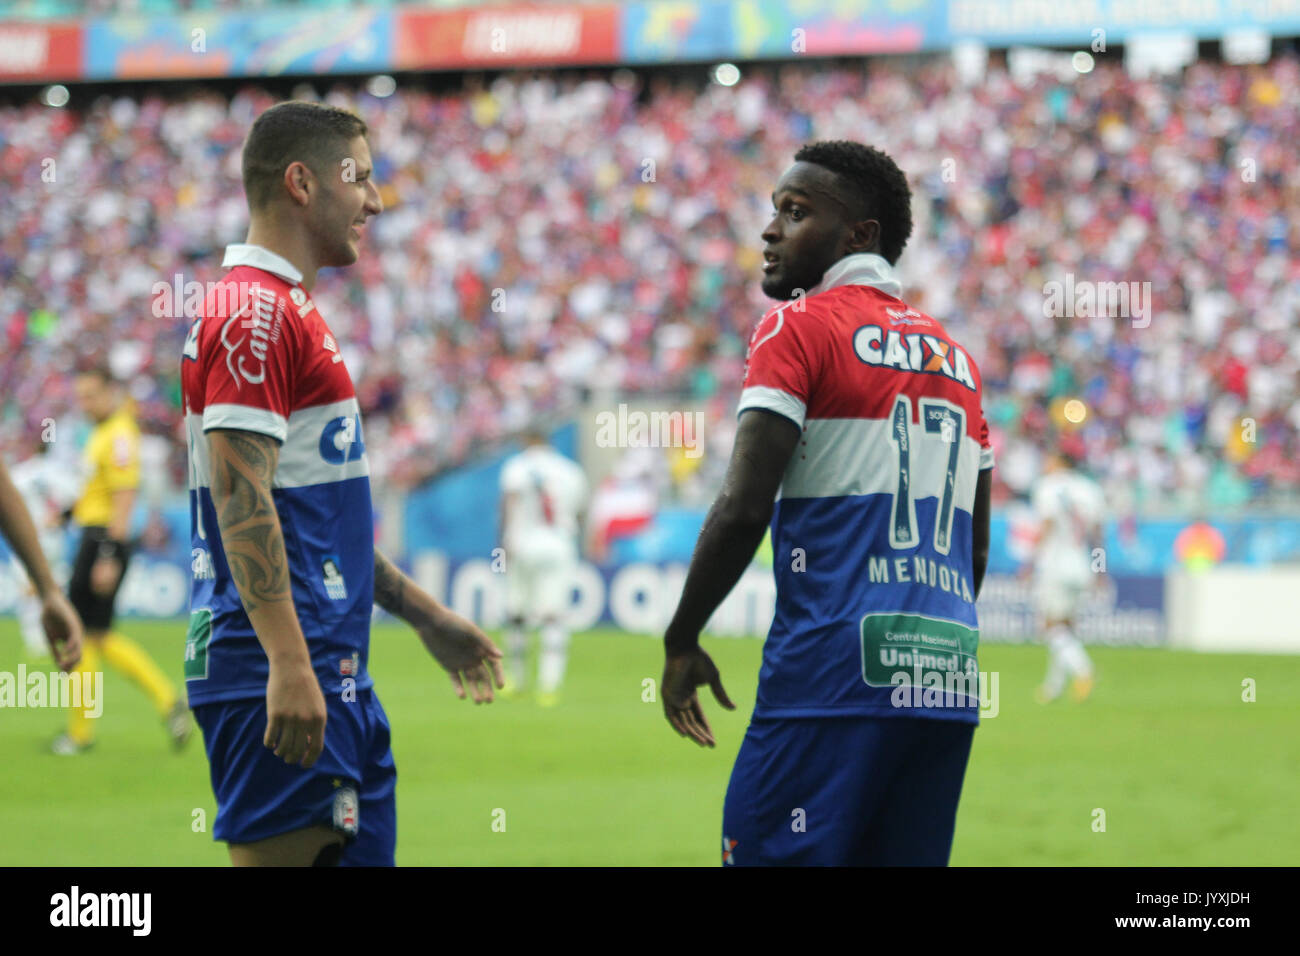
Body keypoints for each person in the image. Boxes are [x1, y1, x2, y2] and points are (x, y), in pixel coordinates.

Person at [182, 100, 504, 866]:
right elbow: (240, 494)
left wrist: (423, 614)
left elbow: (317, 524)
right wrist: (290, 665)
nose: (376, 199)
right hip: (281, 668)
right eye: (360, 177)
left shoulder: (284, 309)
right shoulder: (253, 313)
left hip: (331, 666)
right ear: (300, 182)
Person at [660, 141, 994, 866]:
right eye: (775, 210)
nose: (770, 230)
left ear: (859, 236)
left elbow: (744, 507)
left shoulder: (799, 326)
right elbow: (974, 553)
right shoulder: (959, 362)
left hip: (829, 680)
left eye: (795, 211)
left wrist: (682, 636)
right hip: (945, 680)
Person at [53, 366, 191, 755]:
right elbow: (96, 492)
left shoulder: (119, 435)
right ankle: (167, 700)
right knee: (96, 636)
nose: (85, 404)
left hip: (103, 541)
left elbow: (124, 497)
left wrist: (108, 556)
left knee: (79, 635)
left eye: (92, 395)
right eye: (80, 396)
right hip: (95, 535)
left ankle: (80, 734)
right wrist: (65, 515)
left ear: (111, 391)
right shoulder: (102, 432)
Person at [498, 427, 588, 705]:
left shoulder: (516, 467)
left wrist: (502, 546)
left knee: (516, 613)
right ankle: (549, 686)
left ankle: (515, 680)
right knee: (554, 616)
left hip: (522, 545)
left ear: (527, 440)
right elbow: (581, 512)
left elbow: (508, 506)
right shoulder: (571, 470)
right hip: (559, 545)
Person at [1030, 449, 1105, 704]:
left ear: (1060, 462)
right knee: (1066, 627)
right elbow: (1097, 535)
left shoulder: (1049, 487)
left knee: (1050, 627)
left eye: (1049, 459)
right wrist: (1099, 570)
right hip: (1082, 565)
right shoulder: (1090, 489)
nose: (1046, 463)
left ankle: (1084, 671)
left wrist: (1030, 562)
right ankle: (1053, 688)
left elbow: (1048, 524)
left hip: (1055, 564)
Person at [0, 457, 82, 672]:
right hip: (49, 537)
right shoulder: (57, 472)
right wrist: (60, 519)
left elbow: (6, 494)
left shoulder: (23, 472)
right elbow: (76, 499)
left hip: (31, 535)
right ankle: (41, 637)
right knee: (46, 585)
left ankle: (35, 641)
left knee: (27, 590)